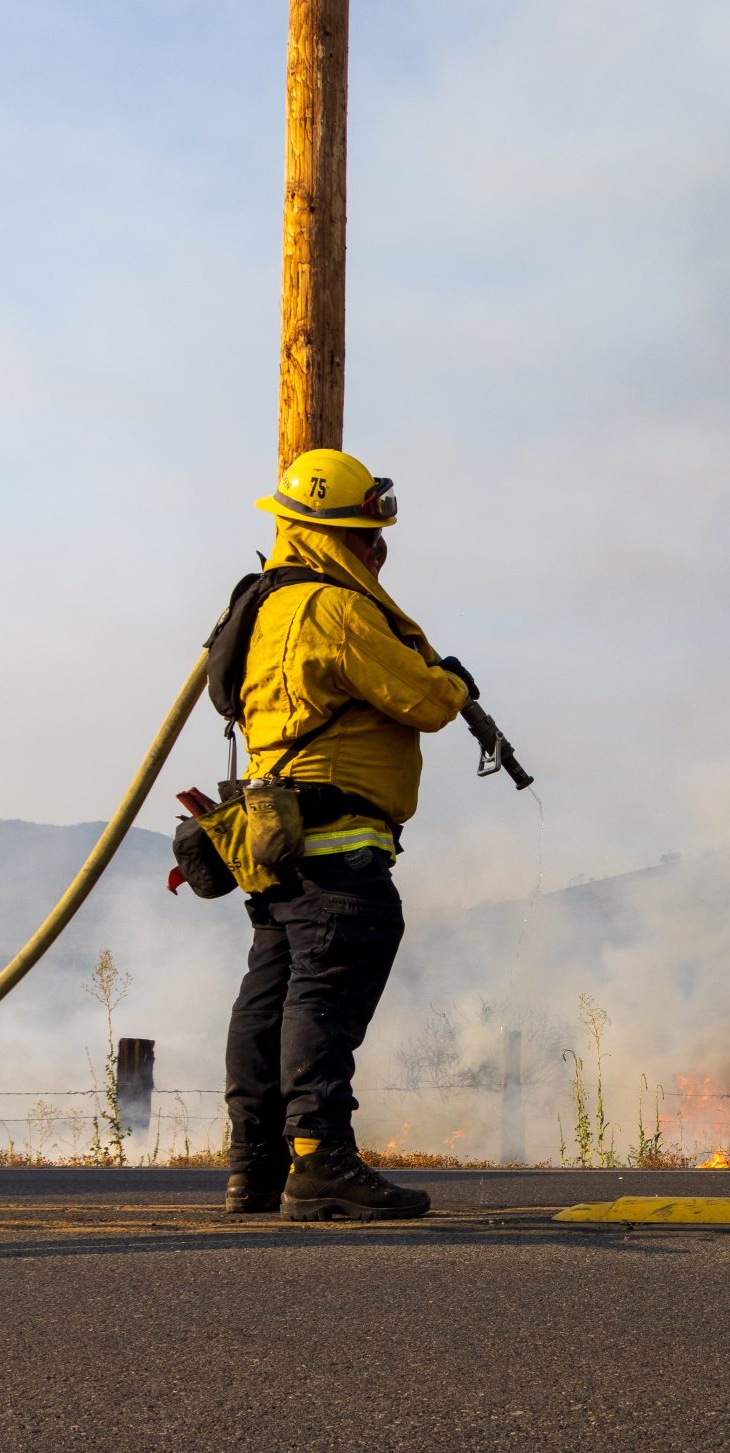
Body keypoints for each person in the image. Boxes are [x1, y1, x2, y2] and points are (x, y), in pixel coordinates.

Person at [222, 449, 478, 1220]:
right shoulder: (335, 609)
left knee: (267, 995)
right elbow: (424, 699)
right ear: (333, 535)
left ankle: (253, 1166)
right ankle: (320, 1160)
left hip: (275, 836)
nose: (380, 550)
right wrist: (455, 684)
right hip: (337, 841)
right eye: (369, 535)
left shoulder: (268, 605)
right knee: (325, 990)